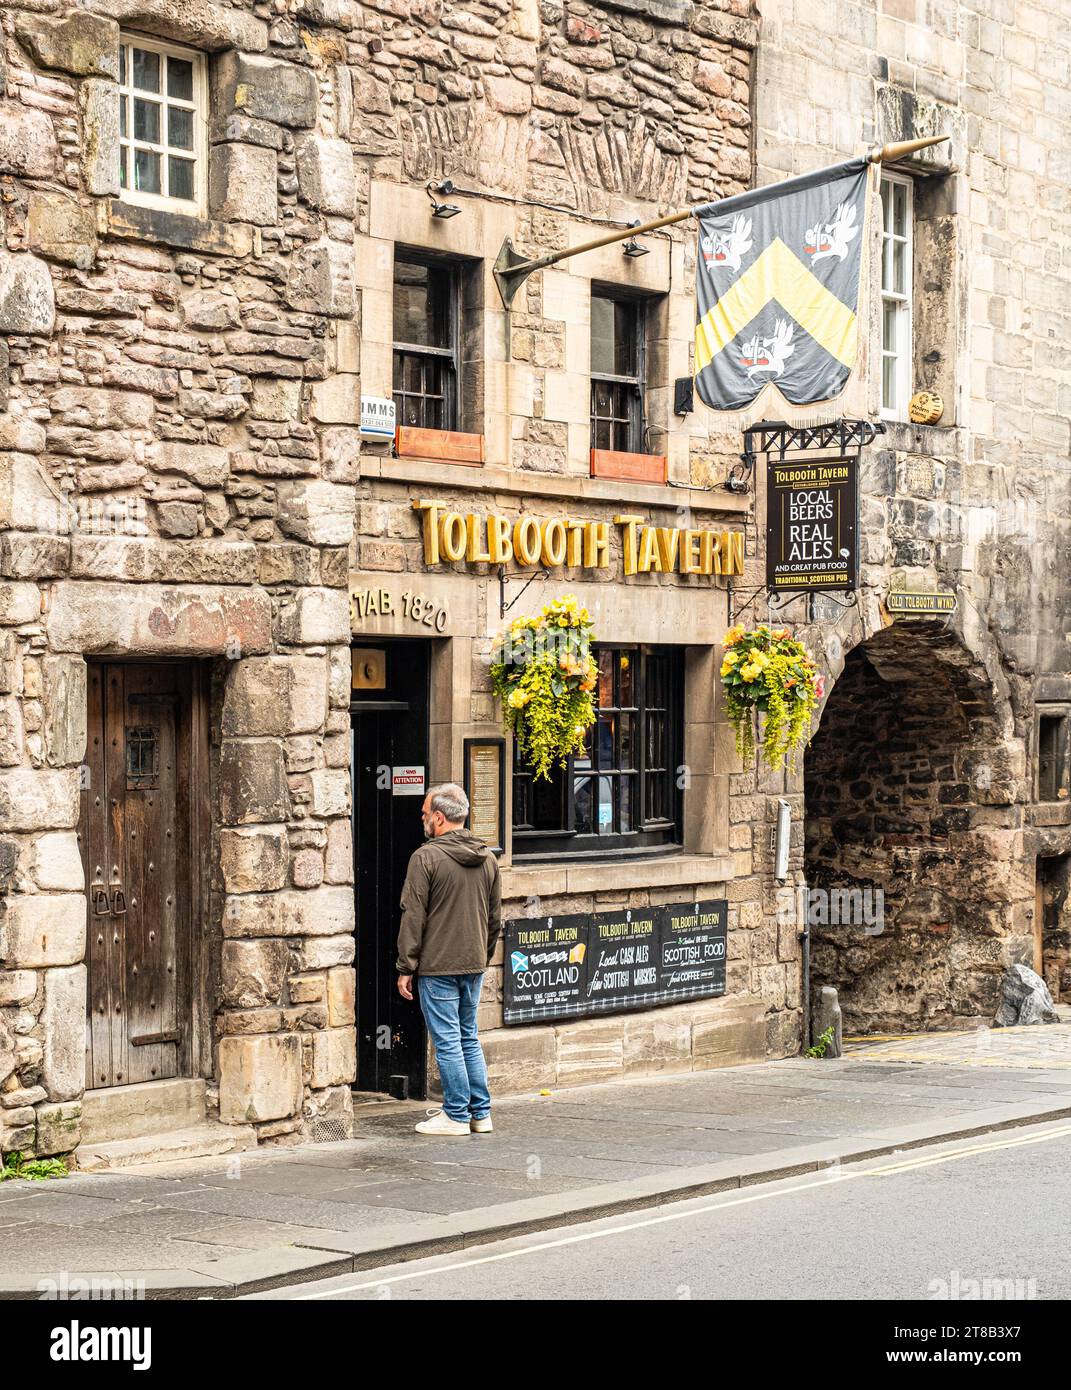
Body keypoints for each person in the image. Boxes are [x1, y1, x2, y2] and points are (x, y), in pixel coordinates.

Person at [396, 782, 502, 1136]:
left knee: (447, 1040)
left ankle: (456, 1114)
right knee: (468, 1036)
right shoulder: (487, 858)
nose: (422, 818)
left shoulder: (424, 858)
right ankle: (480, 1114)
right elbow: (494, 919)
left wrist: (405, 967)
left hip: (438, 964)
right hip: (473, 963)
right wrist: (482, 956)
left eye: (425, 813)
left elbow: (413, 916)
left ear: (439, 818)